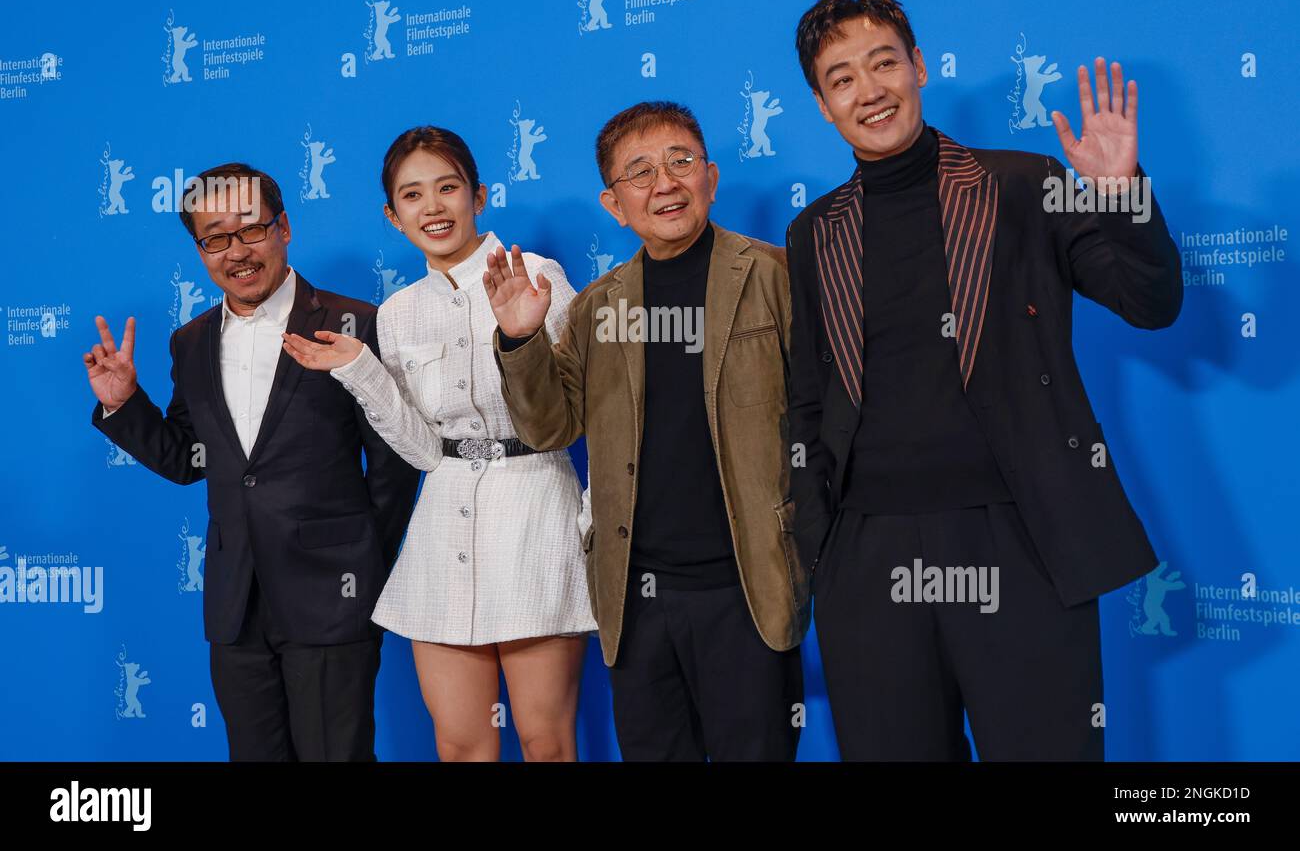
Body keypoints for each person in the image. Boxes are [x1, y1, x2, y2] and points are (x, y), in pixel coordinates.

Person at [786, 0, 1183, 760]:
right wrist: (820, 546)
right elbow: (807, 396)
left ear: (920, 68)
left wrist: (1122, 193)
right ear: (822, 103)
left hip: (1019, 537)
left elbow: (1151, 303)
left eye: (883, 63)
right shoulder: (814, 231)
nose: (869, 90)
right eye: (842, 79)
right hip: (868, 563)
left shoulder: (1023, 185)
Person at [484, 101, 808, 761]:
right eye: (639, 172)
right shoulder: (598, 306)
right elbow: (550, 426)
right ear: (614, 203)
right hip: (638, 600)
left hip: (749, 588)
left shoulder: (777, 276)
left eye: (680, 161)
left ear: (710, 177)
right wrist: (521, 339)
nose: (665, 182)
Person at [85, 163, 419, 761]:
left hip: (332, 596)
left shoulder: (353, 322)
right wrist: (125, 407)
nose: (236, 251)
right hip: (235, 604)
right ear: (200, 248)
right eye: (215, 238)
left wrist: (364, 566)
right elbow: (192, 459)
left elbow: (394, 463)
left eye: (251, 230)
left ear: (283, 227)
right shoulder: (189, 341)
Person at [281, 127, 595, 762]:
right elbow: (424, 452)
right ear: (393, 217)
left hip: (536, 514)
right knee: (459, 746)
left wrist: (521, 337)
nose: (434, 208)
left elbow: (578, 415)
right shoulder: (397, 313)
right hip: (441, 530)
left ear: (478, 194)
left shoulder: (540, 277)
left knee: (547, 743)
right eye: (413, 195)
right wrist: (360, 369)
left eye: (448, 188)